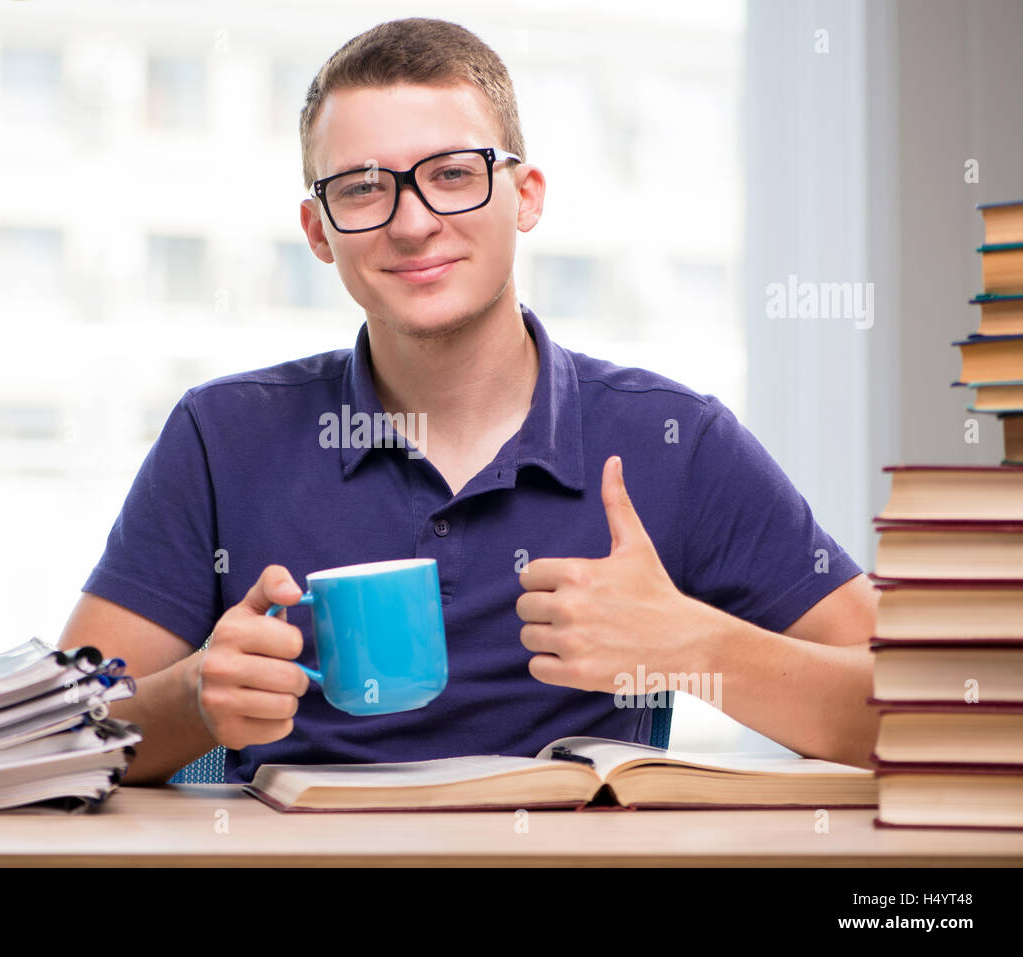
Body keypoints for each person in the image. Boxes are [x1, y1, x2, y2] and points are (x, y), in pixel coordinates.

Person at [58, 17, 880, 786]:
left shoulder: (675, 441)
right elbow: (60, 735)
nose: (412, 224)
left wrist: (698, 646)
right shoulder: (221, 437)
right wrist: (193, 698)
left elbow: (919, 710)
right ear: (318, 230)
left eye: (453, 174)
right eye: (362, 188)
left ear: (525, 196)